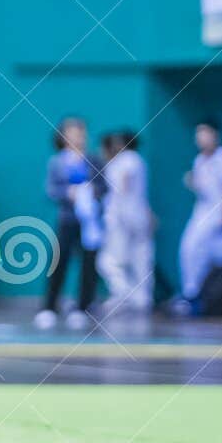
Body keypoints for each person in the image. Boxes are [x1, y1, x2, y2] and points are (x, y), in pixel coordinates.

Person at [36, 118, 103, 330]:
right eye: (72, 132)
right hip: (67, 220)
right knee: (58, 263)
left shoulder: (94, 160)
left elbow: (105, 186)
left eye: (81, 132)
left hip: (90, 223)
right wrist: (69, 193)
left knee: (88, 264)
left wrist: (94, 192)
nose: (77, 136)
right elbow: (51, 190)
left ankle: (83, 307)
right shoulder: (57, 162)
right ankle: (49, 307)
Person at [177, 120, 222, 309]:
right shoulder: (199, 160)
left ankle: (216, 301)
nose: (201, 138)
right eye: (198, 133)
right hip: (201, 212)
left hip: (220, 214)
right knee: (189, 249)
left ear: (215, 135)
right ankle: (191, 295)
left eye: (205, 133)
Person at [98, 130, 155, 310]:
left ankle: (123, 293)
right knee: (141, 259)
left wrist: (120, 212)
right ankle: (142, 298)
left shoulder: (125, 160)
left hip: (123, 217)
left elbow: (124, 186)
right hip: (137, 216)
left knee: (108, 261)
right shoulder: (138, 160)